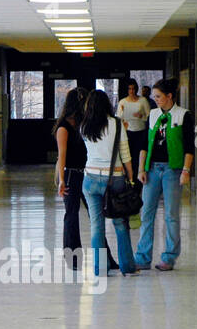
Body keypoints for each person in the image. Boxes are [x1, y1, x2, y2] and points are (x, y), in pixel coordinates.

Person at [54, 87, 117, 271]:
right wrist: (61, 179)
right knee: (71, 215)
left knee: (96, 217)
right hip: (72, 174)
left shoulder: (86, 124)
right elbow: (62, 155)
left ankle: (107, 259)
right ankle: (73, 259)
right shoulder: (63, 127)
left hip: (88, 173)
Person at [134, 77, 194, 271]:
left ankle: (169, 257)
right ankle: (142, 258)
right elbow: (144, 144)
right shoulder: (152, 115)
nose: (156, 99)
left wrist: (186, 170)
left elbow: (189, 147)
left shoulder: (183, 115)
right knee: (147, 213)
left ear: (169, 96)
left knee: (171, 214)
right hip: (152, 169)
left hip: (172, 169)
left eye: (159, 96)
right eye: (154, 97)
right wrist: (141, 169)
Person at [78, 89, 138, 278]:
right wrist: (131, 177)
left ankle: (99, 269)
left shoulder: (84, 126)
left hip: (90, 179)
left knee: (97, 226)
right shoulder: (116, 124)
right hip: (115, 179)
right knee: (120, 223)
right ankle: (127, 266)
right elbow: (125, 154)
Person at [115, 79, 150, 173]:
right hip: (128, 132)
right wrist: (123, 114)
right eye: (129, 89)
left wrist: (141, 116)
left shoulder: (143, 100)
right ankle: (130, 178)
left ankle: (140, 176)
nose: (131, 91)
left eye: (133, 89)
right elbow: (118, 119)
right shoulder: (122, 102)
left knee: (140, 156)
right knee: (128, 156)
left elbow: (149, 117)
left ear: (136, 89)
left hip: (140, 132)